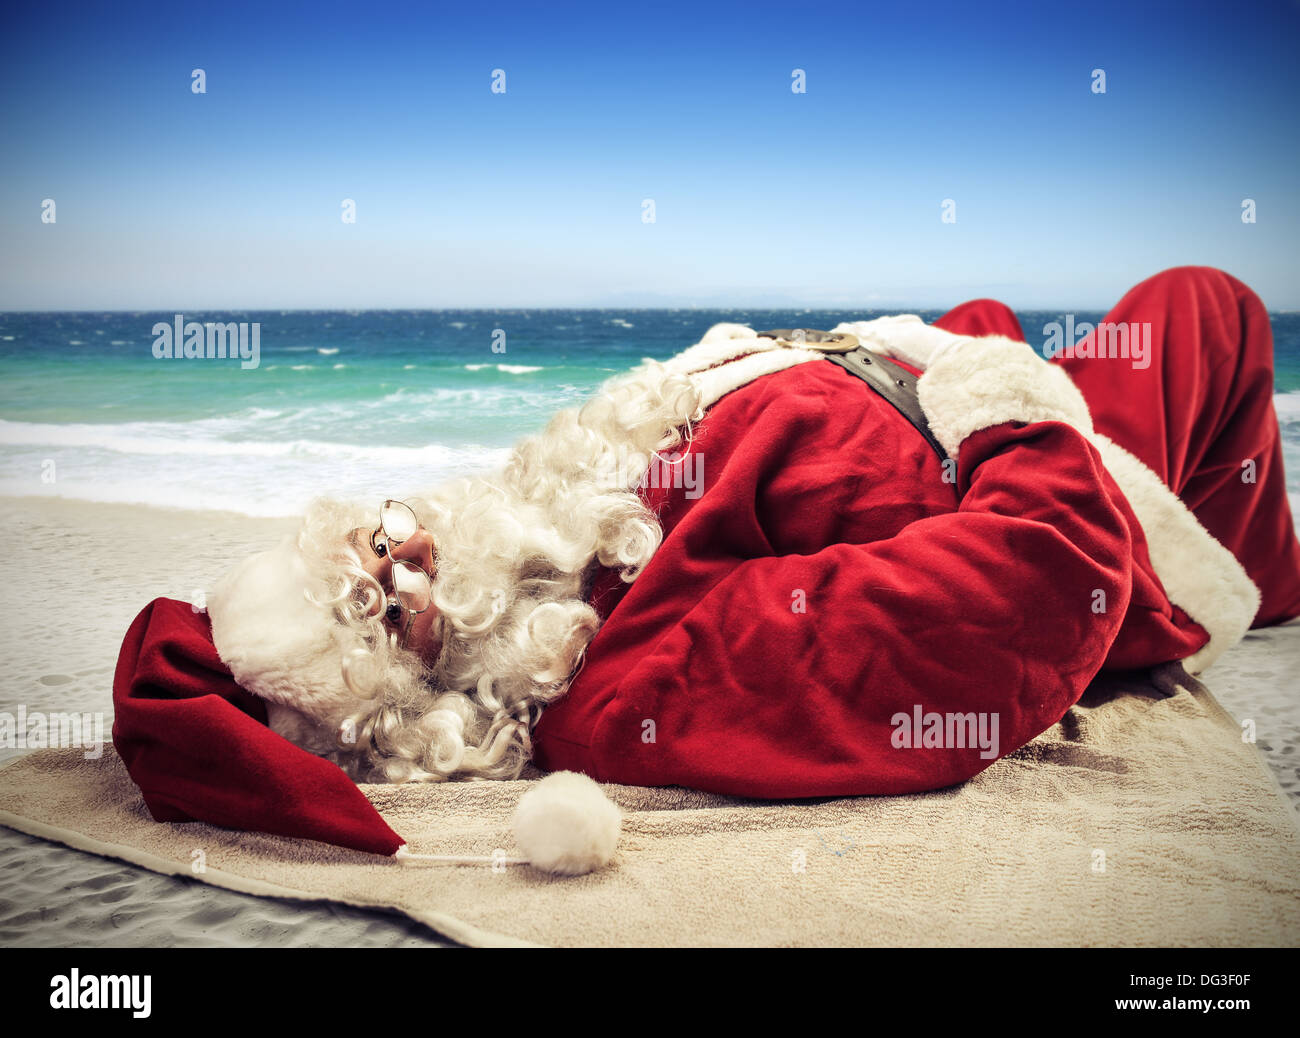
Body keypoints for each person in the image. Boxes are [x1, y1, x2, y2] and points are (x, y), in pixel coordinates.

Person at [112, 266, 1300, 853]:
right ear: (414, 715)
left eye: (380, 541)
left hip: (921, 374)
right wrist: (1002, 413)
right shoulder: (634, 688)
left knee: (995, 302)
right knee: (1203, 303)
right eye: (388, 609)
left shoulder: (536, 545)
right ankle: (1259, 571)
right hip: (1055, 478)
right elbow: (1015, 592)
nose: (414, 554)